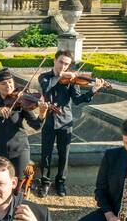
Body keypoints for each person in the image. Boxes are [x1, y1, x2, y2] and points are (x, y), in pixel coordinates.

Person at [36, 51, 107, 197]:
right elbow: (47, 89)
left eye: (67, 64)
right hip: (49, 120)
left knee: (64, 154)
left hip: (65, 122)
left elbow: (77, 100)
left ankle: (60, 182)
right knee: (46, 153)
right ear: (55, 60)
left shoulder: (72, 80)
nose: (63, 66)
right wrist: (61, 76)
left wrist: (93, 91)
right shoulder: (44, 77)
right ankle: (45, 182)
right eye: (61, 62)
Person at [0, 68, 42, 179]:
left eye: (10, 82)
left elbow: (36, 125)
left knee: (19, 181)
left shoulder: (21, 100)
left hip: (19, 148)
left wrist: (42, 113)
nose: (8, 85)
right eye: (3, 83)